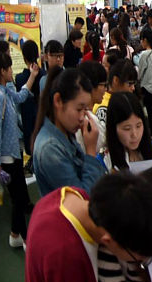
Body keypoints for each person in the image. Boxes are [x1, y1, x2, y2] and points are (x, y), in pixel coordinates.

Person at [0, 51, 41, 247]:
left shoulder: (5, 91)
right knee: (18, 200)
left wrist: (32, 76)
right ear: (3, 70)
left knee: (18, 199)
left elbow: (20, 97)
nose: (11, 71)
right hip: (7, 157)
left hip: (13, 154)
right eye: (9, 68)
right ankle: (24, 239)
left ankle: (15, 235)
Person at [31, 67, 106, 198]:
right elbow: (81, 198)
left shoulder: (66, 134)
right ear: (58, 101)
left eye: (85, 110)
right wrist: (90, 151)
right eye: (79, 109)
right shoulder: (50, 148)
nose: (83, 117)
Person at [103, 93, 152, 171]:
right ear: (113, 128)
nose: (134, 134)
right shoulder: (104, 161)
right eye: (127, 128)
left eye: (138, 126)